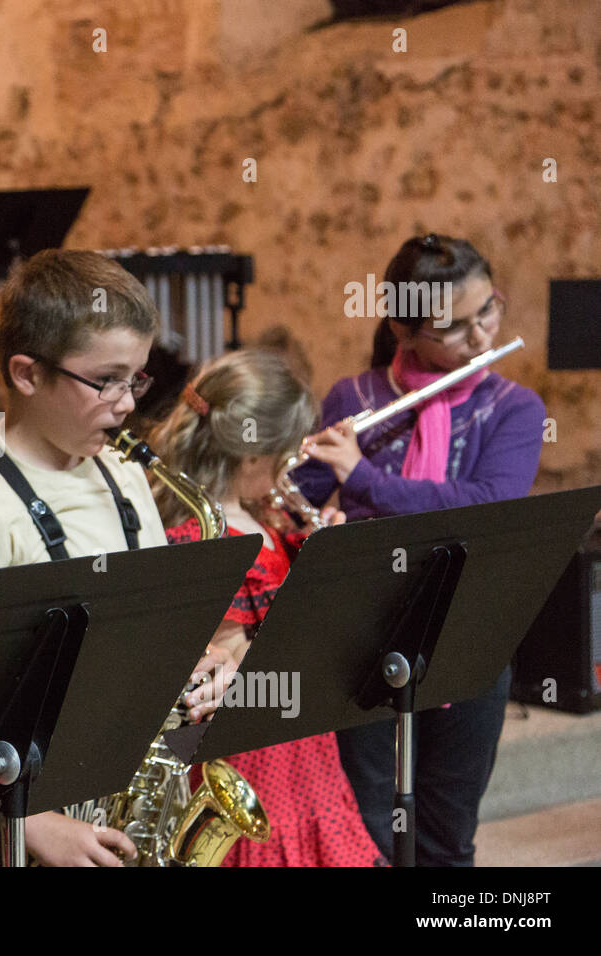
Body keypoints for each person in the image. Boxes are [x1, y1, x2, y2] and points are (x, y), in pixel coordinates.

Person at [0, 249, 228, 866]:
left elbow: (154, 627)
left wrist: (207, 660)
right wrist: (34, 823)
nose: (128, 404)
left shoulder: (125, 473)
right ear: (26, 373)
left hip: (129, 787)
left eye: (138, 379)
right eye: (107, 380)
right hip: (32, 815)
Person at [294, 233, 546, 866]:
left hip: (469, 632)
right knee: (369, 827)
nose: (483, 338)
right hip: (362, 635)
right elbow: (305, 499)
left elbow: (486, 504)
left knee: (446, 835)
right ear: (403, 330)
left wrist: (368, 481)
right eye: (455, 328)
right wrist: (307, 503)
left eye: (488, 310)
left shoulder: (515, 408)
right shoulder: (352, 401)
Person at [149, 349, 384, 866]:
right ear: (252, 457)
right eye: (285, 453)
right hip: (258, 761)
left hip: (303, 750)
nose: (291, 466)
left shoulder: (264, 519)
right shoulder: (202, 538)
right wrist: (318, 593)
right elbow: (234, 674)